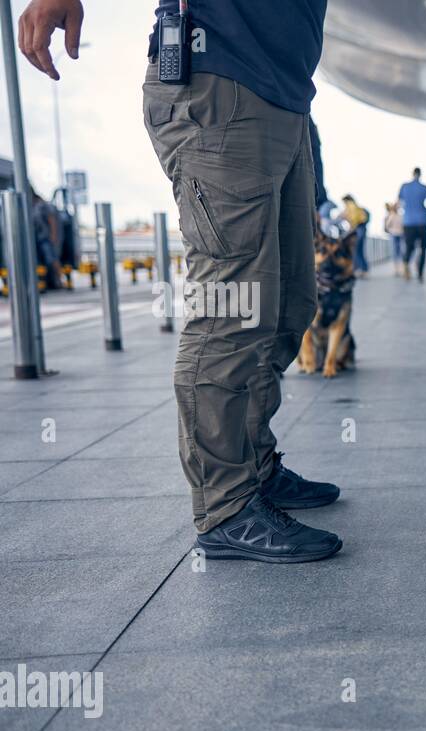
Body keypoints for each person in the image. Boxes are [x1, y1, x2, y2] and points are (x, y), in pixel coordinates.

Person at [19, 0, 345, 563]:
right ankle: (226, 506)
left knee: (290, 301)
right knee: (231, 308)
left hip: (284, 97)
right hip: (220, 84)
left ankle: (256, 467)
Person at [397, 167, 426, 282]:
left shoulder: (404, 187)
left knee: (409, 247)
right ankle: (420, 274)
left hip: (408, 222)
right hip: (423, 221)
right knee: (423, 249)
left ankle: (406, 264)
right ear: (420, 174)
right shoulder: (425, 188)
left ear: (412, 174)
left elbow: (399, 203)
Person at [340, 194, 370, 277]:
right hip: (362, 229)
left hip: (357, 229)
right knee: (359, 250)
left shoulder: (350, 206)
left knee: (355, 250)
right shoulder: (356, 206)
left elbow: (353, 219)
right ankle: (364, 270)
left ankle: (360, 270)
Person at [383, 201, 404, 275]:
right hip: (400, 234)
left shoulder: (392, 215)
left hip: (395, 234)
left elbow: (387, 226)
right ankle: (399, 269)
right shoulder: (400, 216)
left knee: (396, 252)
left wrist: (390, 230)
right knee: (400, 252)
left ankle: (398, 269)